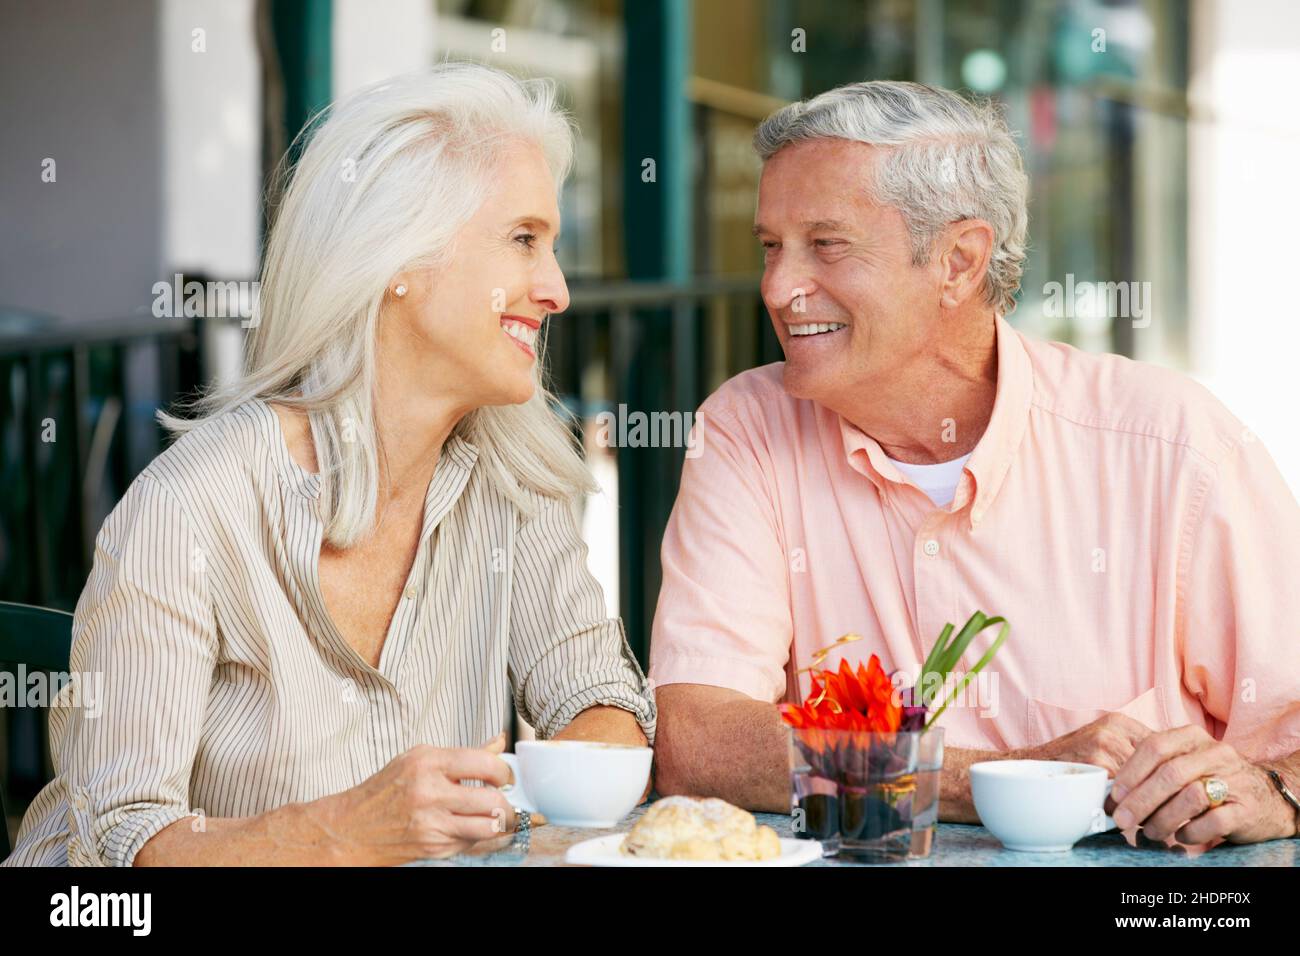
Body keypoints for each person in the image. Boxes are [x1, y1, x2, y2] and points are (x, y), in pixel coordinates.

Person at [5, 63, 654, 867]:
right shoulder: (193, 506)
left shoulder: (511, 478)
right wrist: (348, 832)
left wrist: (560, 775)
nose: (556, 289)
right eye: (524, 239)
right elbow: (122, 846)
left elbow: (598, 697)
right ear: (399, 262)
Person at [649, 80, 1300, 848]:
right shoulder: (747, 430)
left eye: (826, 245)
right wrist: (1003, 777)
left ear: (959, 261)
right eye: (770, 246)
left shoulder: (1177, 451)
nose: (778, 287)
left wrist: (1273, 795)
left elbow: (1284, 751)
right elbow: (698, 741)